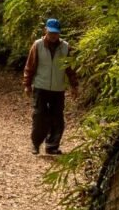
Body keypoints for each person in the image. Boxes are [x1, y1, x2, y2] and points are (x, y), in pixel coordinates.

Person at [22, 18, 79, 155]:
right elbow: (30, 66)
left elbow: (70, 68)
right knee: (39, 115)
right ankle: (36, 144)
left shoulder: (65, 47)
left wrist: (74, 86)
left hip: (58, 88)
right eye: (51, 33)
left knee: (57, 117)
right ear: (45, 31)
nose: (53, 36)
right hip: (41, 86)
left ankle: (52, 146)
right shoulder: (38, 45)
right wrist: (27, 84)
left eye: (56, 33)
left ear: (59, 33)